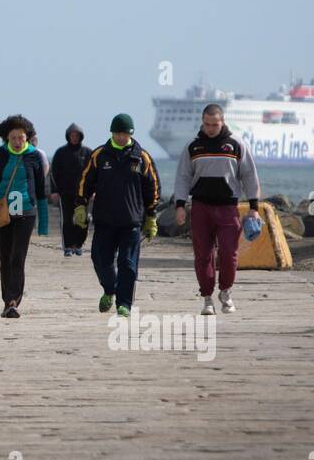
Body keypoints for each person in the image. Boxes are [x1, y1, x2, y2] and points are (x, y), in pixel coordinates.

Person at [173, 103, 261, 315]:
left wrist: (254, 207)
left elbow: (249, 175)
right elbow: (183, 177)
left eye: (214, 124)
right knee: (203, 255)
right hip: (201, 208)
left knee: (229, 254)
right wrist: (180, 205)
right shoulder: (192, 147)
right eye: (206, 124)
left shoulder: (236, 145)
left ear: (223, 122)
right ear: (202, 122)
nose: (210, 128)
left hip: (228, 208)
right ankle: (207, 298)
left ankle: (226, 292)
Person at [74, 113, 161, 317]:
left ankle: (124, 304)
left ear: (131, 134)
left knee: (128, 265)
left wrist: (151, 216)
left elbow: (153, 187)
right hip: (104, 220)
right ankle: (109, 289)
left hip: (131, 222)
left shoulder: (141, 157)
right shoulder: (99, 155)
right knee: (100, 260)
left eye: (125, 133)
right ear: (112, 132)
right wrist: (80, 206)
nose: (121, 137)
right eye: (117, 133)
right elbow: (84, 182)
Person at [0, 115, 50, 318]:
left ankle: (12, 302)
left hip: (26, 211)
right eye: (14, 138)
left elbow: (40, 191)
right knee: (5, 258)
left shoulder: (35, 156)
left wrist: (43, 223)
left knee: (18, 257)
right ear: (7, 139)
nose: (18, 142)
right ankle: (7, 300)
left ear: (27, 137)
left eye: (21, 137)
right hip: (3, 211)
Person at [50, 124, 88, 256]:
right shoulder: (61, 152)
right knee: (67, 220)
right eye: (72, 135)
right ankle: (68, 246)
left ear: (80, 137)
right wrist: (54, 191)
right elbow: (53, 172)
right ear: (68, 136)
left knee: (82, 220)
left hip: (83, 194)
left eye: (77, 135)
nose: (74, 138)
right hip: (65, 193)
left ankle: (78, 245)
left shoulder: (87, 152)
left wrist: (94, 191)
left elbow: (94, 173)